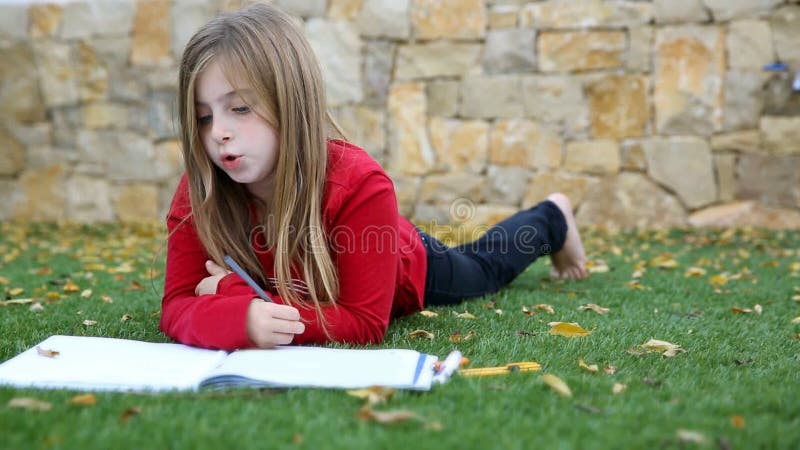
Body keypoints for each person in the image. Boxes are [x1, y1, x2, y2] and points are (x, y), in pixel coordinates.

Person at [161, 2, 586, 351]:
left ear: (290, 102)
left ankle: (552, 216)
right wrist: (245, 317)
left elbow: (363, 322)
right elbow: (175, 305)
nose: (217, 132)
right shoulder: (202, 185)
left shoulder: (361, 184)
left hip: (400, 260)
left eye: (239, 108)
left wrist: (241, 301)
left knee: (483, 270)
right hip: (325, 276)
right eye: (202, 116)